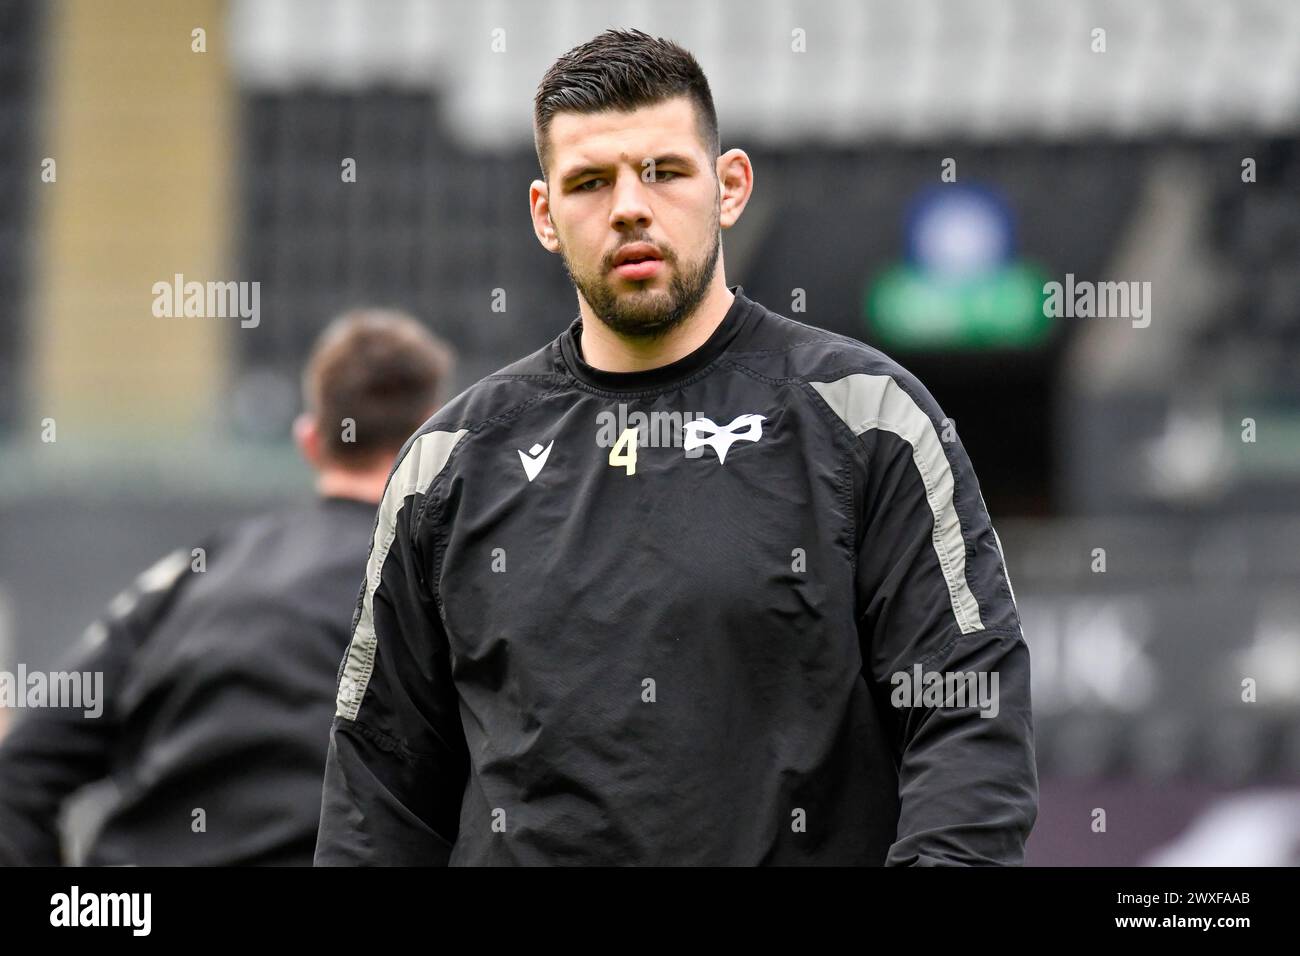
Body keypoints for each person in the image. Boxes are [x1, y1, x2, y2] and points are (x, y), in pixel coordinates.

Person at [316, 29, 1038, 866]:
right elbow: (380, 785)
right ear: (546, 216)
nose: (629, 206)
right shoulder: (453, 462)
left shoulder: (869, 420)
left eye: (663, 171)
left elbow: (967, 710)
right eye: (590, 181)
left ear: (729, 187)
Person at [0, 309, 453, 865]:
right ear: (433, 443)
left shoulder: (196, 573)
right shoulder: (448, 590)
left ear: (309, 440)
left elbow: (20, 771)